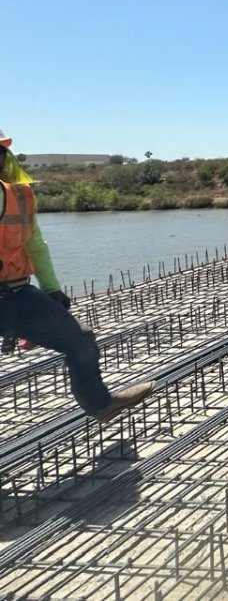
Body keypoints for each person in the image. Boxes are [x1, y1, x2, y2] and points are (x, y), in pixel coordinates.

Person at [0, 128, 154, 423]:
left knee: (79, 340)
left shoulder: (20, 195)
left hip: (18, 293)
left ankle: (100, 405)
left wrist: (51, 288)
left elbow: (34, 242)